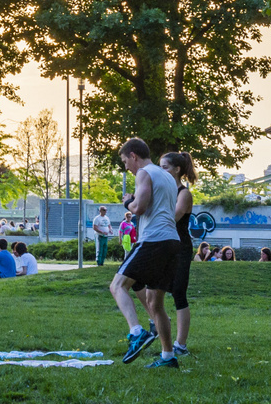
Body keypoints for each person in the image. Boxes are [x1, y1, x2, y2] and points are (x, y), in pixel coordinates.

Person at [110, 138, 181, 368]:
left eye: (124, 162)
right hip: (172, 242)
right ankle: (168, 357)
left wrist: (128, 202)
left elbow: (139, 208)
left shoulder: (144, 173)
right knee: (155, 303)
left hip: (154, 240)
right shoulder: (168, 177)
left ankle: (136, 332)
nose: (126, 168)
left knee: (118, 286)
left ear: (133, 156)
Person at [150, 151, 196, 357]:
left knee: (178, 293)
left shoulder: (184, 194)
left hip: (180, 248)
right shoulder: (163, 191)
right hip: (163, 245)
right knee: (150, 291)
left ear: (177, 170)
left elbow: (173, 217)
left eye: (165, 167)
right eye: (160, 167)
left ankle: (180, 345)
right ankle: (158, 329)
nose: (161, 171)